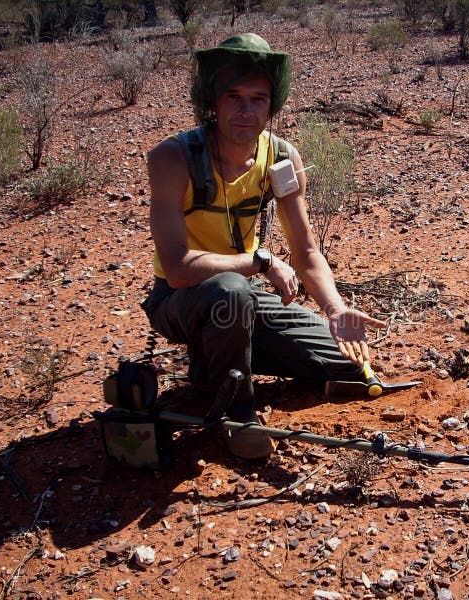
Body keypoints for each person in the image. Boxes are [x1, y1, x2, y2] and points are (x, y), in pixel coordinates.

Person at [142, 33, 384, 460]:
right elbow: (177, 269)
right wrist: (261, 261)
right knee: (230, 291)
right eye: (233, 97)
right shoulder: (173, 158)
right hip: (181, 301)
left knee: (346, 364)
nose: (245, 111)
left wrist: (334, 308)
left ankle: (220, 360)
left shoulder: (281, 158)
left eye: (258, 99)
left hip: (242, 297)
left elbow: (306, 250)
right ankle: (237, 412)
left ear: (272, 104)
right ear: (212, 101)